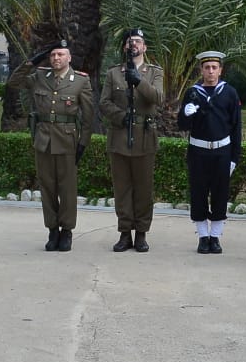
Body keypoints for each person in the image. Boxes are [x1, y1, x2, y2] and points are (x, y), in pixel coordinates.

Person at [27, 39, 96, 252]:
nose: (56, 58)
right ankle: (52, 230)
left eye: (60, 54)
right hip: (44, 141)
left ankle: (66, 231)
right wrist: (32, 62)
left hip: (67, 141)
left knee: (67, 189)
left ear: (69, 58)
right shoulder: (40, 77)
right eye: (53, 55)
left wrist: (83, 143)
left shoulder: (80, 81)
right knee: (47, 188)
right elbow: (14, 81)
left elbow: (88, 116)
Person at [99, 28, 163, 253]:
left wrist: (139, 82)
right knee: (122, 188)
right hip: (119, 135)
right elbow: (104, 102)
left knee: (144, 188)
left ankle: (142, 234)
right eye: (129, 41)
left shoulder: (154, 72)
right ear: (125, 47)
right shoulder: (114, 73)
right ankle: (125, 233)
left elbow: (158, 97)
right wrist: (121, 116)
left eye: (138, 41)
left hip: (145, 136)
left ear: (144, 47)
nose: (133, 44)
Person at [179, 50, 242, 253]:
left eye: (215, 67)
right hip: (198, 151)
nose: (211, 71)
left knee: (220, 194)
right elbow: (181, 124)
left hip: (222, 151)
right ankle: (202, 236)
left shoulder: (229, 92)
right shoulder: (192, 92)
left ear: (221, 70)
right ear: (201, 70)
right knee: (198, 193)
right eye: (207, 68)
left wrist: (234, 158)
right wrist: (186, 114)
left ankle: (215, 237)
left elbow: (236, 127)